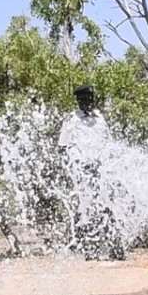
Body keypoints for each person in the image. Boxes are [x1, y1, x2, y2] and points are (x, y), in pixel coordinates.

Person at [58, 84, 125, 261]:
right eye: (83, 99)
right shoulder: (71, 120)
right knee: (85, 211)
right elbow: (63, 146)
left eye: (89, 98)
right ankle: (89, 249)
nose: (87, 102)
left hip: (102, 171)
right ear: (78, 100)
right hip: (82, 172)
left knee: (108, 209)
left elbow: (109, 143)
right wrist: (73, 169)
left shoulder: (100, 119)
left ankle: (115, 248)